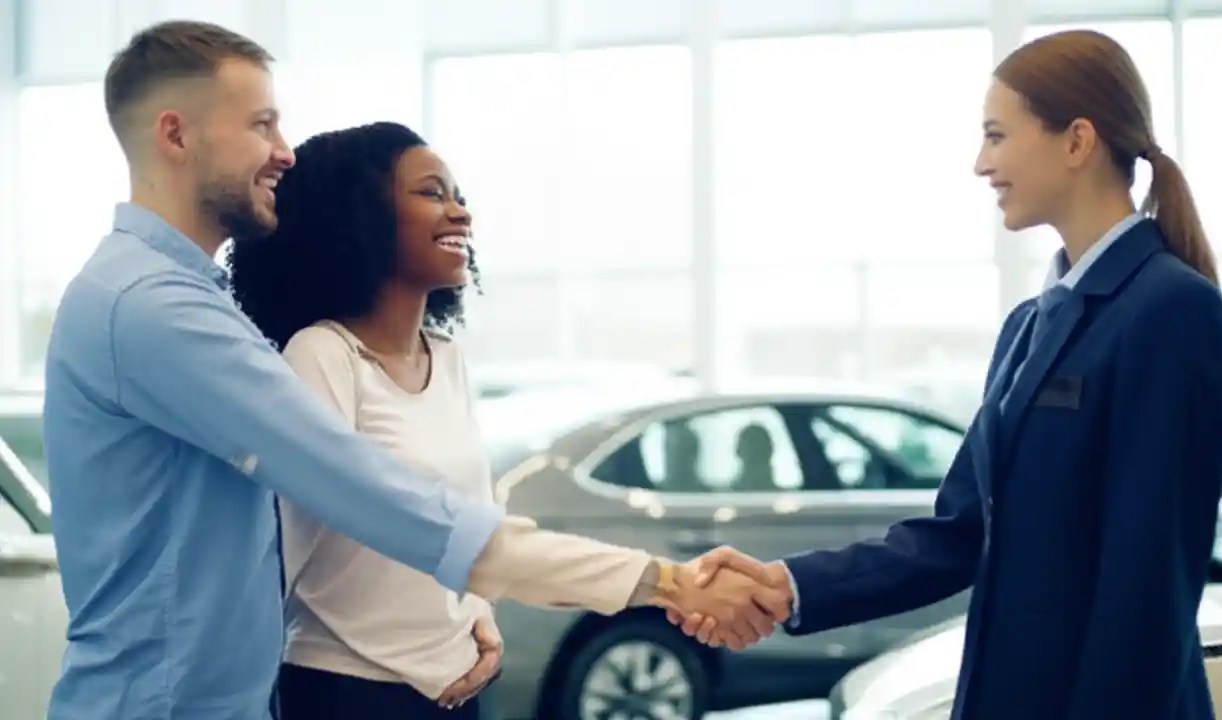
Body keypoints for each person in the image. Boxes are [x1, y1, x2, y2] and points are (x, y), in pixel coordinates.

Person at [42, 21, 782, 719]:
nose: (285, 152)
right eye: (261, 124)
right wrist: (662, 580)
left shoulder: (184, 298)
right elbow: (377, 497)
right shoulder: (153, 307)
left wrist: (464, 612)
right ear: (176, 134)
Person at [676, 29, 1222, 720]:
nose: (982, 164)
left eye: (997, 136)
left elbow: (1146, 595)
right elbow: (958, 535)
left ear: (1076, 141)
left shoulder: (1172, 311)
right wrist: (786, 586)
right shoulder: (1030, 327)